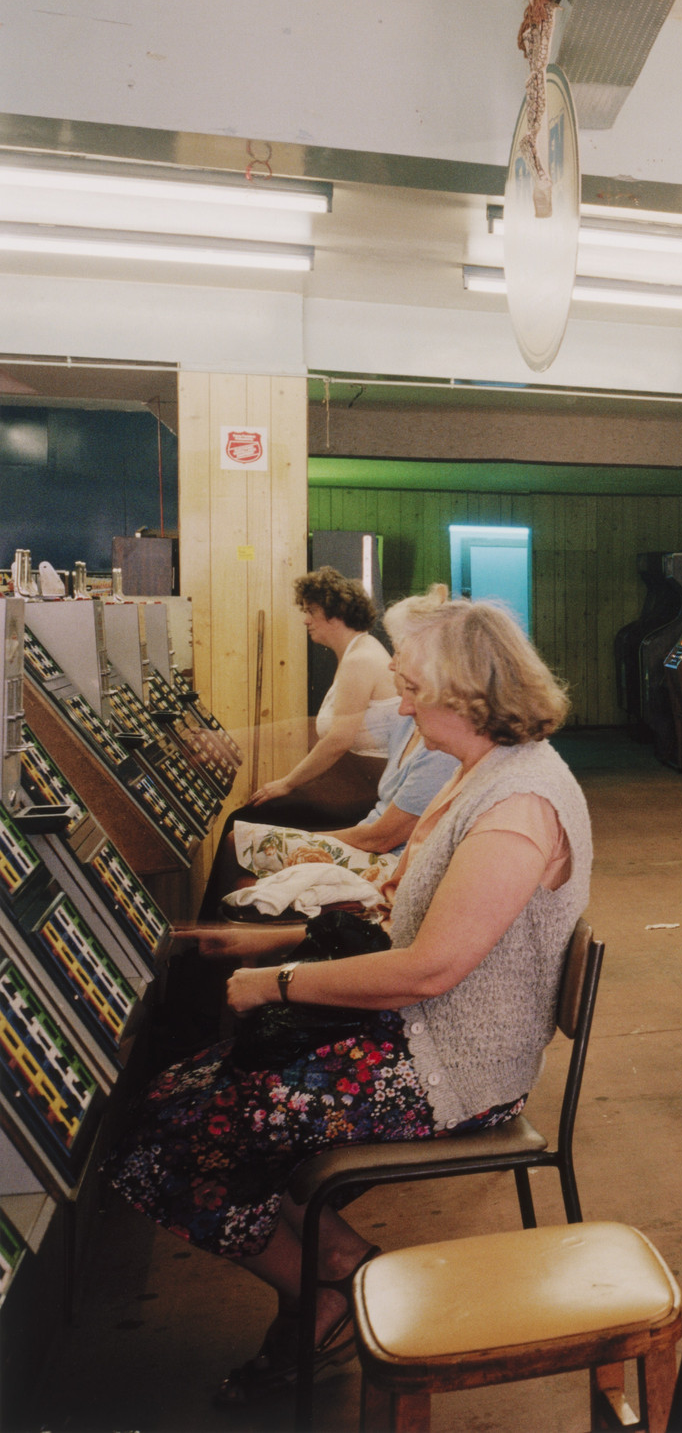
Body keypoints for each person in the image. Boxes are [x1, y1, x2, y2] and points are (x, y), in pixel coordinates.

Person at [110, 598, 589, 1402]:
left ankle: (337, 1280)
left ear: (465, 694)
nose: (401, 707)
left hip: (454, 1070)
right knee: (178, 1099)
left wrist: (279, 983)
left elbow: (429, 968)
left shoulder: (519, 805)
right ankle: (336, 1269)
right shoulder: (483, 772)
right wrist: (272, 940)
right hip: (413, 1037)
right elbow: (398, 909)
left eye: (412, 690)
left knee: (172, 1141)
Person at [200, 584, 452, 917]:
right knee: (246, 833)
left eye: (398, 652)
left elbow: (381, 835)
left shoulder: (440, 743)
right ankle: (215, 946)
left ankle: (204, 952)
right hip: (368, 817)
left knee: (239, 836)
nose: (390, 665)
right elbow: (320, 729)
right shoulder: (408, 719)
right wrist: (238, 738)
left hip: (387, 851)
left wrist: (308, 833)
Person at [247, 567, 401, 819]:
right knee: (256, 812)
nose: (306, 620)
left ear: (335, 613)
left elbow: (338, 740)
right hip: (355, 779)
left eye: (311, 611)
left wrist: (287, 783)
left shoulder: (360, 659)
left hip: (370, 788)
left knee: (254, 815)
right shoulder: (355, 652)